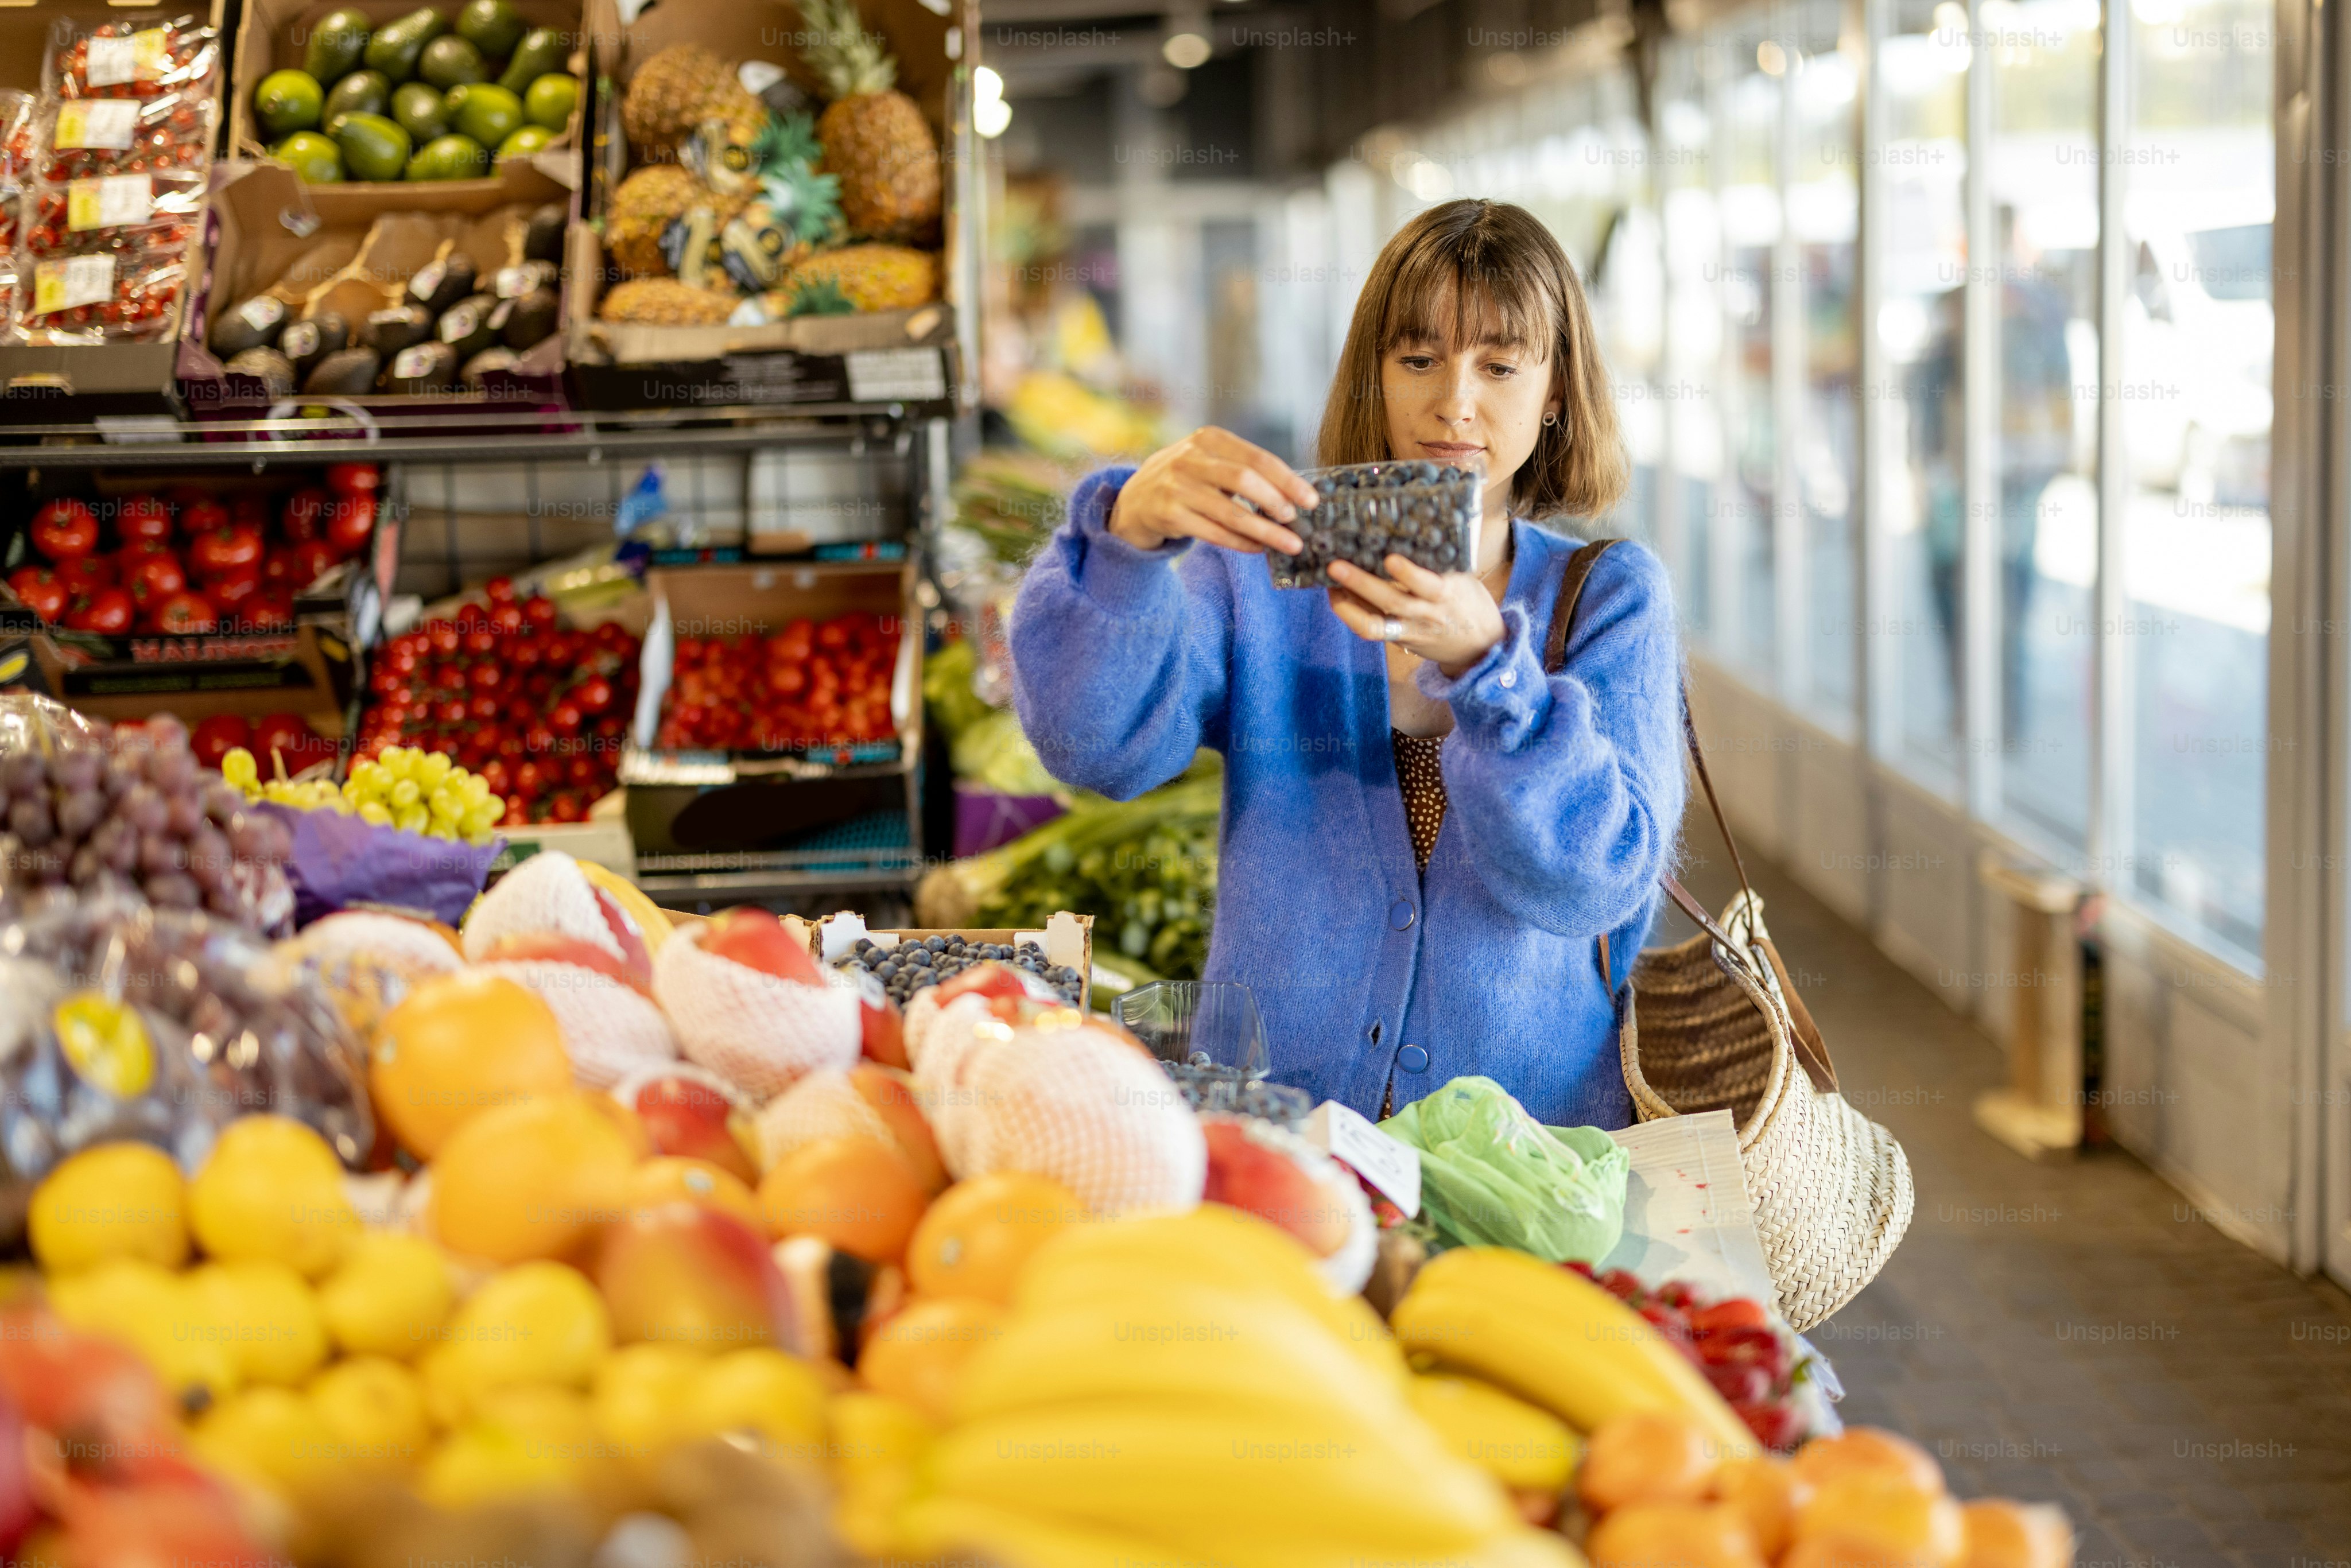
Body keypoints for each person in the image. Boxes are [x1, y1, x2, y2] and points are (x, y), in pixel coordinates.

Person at [1008, 199, 1686, 1128]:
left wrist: (1489, 665)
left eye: (1499, 365)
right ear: (1374, 374)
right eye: (1418, 359)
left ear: (1557, 391)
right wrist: (1122, 543)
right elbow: (1099, 750)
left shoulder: (1609, 596)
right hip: (1277, 1141)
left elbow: (1595, 884)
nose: (1454, 402)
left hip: (1527, 1159)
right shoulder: (1261, 574)